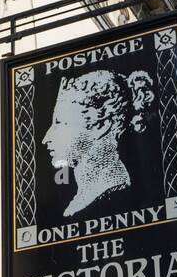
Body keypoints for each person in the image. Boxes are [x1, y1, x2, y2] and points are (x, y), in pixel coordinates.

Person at [42, 69, 155, 217]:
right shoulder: (82, 198)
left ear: (102, 126)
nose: (46, 139)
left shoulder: (114, 194)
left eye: (61, 123)